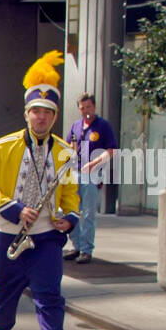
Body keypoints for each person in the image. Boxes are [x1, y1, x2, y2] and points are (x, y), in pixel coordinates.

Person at [0, 50, 79, 330]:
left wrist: (69, 218)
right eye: (36, 111)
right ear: (26, 113)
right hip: (8, 232)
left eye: (48, 113)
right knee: (5, 291)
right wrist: (14, 208)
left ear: (55, 116)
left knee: (49, 295)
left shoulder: (65, 152)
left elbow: (71, 194)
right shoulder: (2, 147)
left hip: (46, 236)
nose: (41, 118)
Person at [63, 92, 118, 263]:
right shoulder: (76, 125)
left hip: (92, 174)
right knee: (71, 209)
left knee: (88, 213)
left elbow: (112, 150)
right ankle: (77, 245)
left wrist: (93, 164)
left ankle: (86, 250)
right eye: (82, 108)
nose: (86, 111)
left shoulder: (103, 126)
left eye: (89, 107)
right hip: (75, 173)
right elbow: (67, 147)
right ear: (79, 109)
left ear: (94, 107)